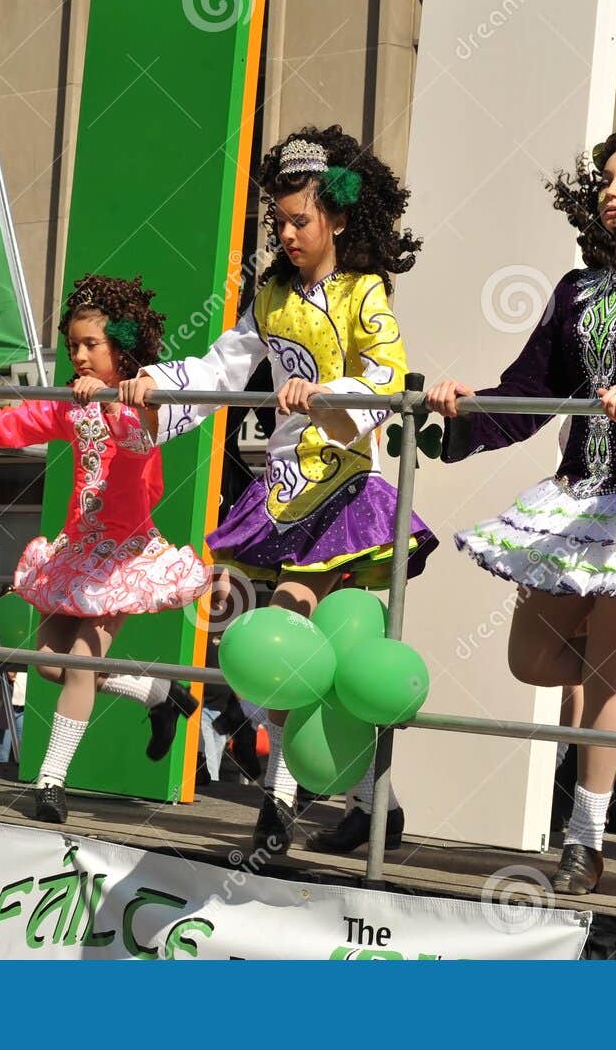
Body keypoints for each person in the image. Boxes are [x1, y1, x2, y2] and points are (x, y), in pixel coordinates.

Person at [428, 99, 616, 893]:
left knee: (603, 674)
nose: (614, 192)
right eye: (607, 180)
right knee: (532, 659)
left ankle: (583, 842)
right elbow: (532, 391)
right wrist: (459, 413)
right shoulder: (574, 287)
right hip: (576, 496)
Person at [118, 127, 435, 858]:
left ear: (341, 219)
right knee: (293, 649)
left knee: (294, 635)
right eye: (281, 222)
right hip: (285, 489)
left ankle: (277, 812)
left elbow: (387, 378)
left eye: (301, 221)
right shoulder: (270, 295)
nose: (288, 234)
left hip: (347, 487)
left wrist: (326, 394)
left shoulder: (365, 293)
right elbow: (223, 368)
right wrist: (156, 385)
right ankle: (372, 804)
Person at [0, 275, 210, 823]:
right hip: (77, 552)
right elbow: (10, 425)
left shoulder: (140, 408)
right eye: (73, 345)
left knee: (82, 662)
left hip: (124, 557)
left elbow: (137, 450)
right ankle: (158, 693)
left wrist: (109, 405)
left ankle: (51, 783)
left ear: (121, 349)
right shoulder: (70, 406)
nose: (79, 356)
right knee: (52, 667)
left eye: (92, 346)